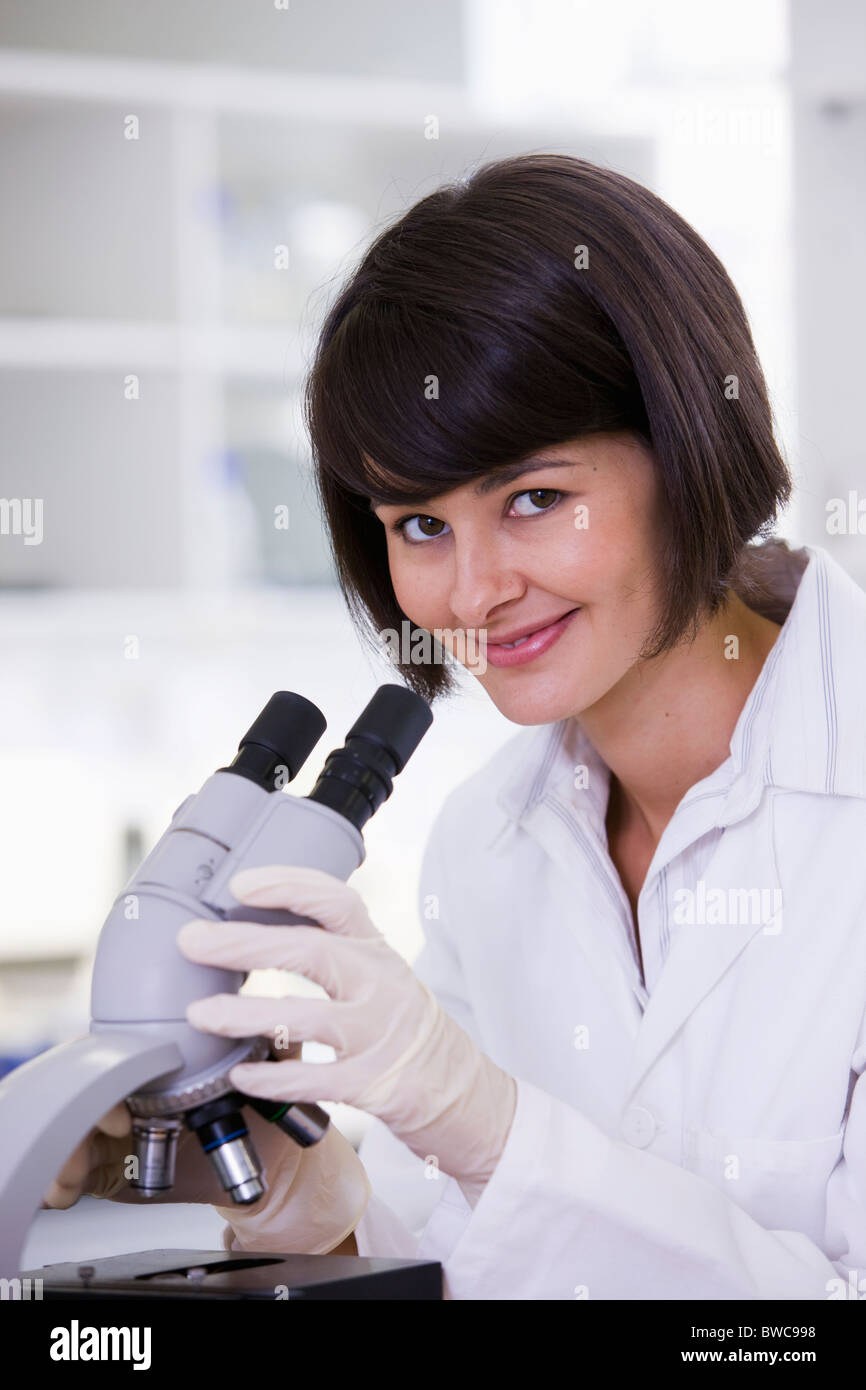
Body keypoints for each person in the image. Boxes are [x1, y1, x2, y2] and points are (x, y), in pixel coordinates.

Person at [47, 154, 866, 1300]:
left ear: (685, 449)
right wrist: (321, 1207)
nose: (471, 593)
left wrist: (482, 1120)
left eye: (533, 499)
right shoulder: (487, 839)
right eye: (418, 523)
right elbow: (473, 1260)